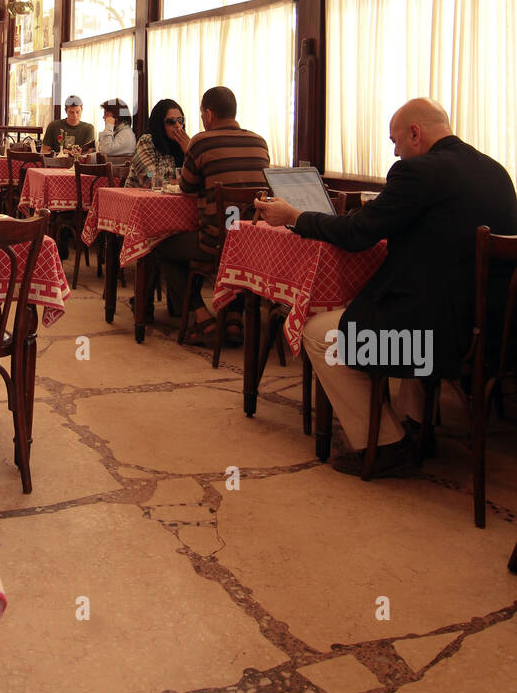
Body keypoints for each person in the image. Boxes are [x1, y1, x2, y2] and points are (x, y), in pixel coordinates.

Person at [255, 99, 517, 476]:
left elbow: (357, 234)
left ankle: (386, 444)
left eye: (396, 141)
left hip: (433, 337)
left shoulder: (418, 172)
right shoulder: (496, 171)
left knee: (318, 333)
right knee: (412, 302)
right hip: (490, 333)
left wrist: (294, 216)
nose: (395, 151)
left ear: (416, 133)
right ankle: (416, 423)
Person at [158, 86, 270, 344]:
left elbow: (186, 187)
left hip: (215, 243)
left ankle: (201, 317)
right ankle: (233, 318)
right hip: (254, 244)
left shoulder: (201, 142)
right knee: (238, 239)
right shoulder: (259, 142)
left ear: (208, 114)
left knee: (160, 244)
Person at [125, 99, 187, 187]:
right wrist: (175, 183)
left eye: (180, 120)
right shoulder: (147, 141)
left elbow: (195, 178)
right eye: (171, 121)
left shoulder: (183, 144)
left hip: (171, 199)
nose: (177, 125)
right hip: (141, 198)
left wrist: (190, 152)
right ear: (160, 124)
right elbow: (148, 176)